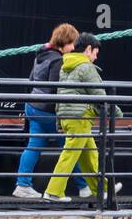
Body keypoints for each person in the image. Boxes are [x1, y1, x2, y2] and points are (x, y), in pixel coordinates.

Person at [13, 23, 91, 199]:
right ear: (64, 41)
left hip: (33, 107)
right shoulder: (58, 60)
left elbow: (32, 79)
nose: (73, 48)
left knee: (34, 146)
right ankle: (84, 186)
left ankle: (22, 185)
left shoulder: (41, 55)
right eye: (71, 43)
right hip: (48, 111)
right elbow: (58, 90)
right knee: (71, 146)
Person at [44, 34, 123, 203]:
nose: (96, 57)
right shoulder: (86, 67)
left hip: (68, 116)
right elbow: (99, 94)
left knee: (89, 154)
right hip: (79, 117)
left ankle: (102, 189)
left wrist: (60, 120)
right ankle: (53, 191)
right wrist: (116, 113)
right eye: (95, 52)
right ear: (88, 50)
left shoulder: (67, 65)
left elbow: (61, 93)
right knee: (71, 154)